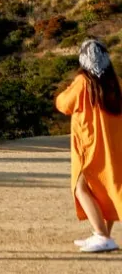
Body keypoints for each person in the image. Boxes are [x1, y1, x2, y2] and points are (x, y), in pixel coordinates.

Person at [55, 38, 122, 253]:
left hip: (89, 146)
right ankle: (102, 234)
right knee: (105, 188)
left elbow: (63, 104)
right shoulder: (115, 83)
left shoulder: (84, 82)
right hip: (113, 146)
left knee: (81, 187)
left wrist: (68, 87)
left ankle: (102, 236)